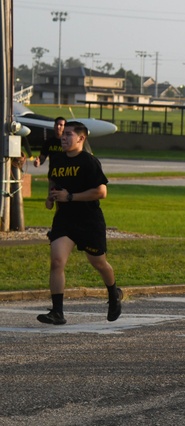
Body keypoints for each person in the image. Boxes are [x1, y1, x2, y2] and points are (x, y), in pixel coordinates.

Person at [36, 121, 122, 325]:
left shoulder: (89, 162)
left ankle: (113, 294)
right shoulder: (56, 159)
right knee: (57, 261)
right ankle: (57, 312)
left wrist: (71, 196)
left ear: (81, 138)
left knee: (99, 263)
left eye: (69, 134)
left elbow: (101, 192)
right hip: (64, 220)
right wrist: (51, 197)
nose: (63, 138)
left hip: (89, 220)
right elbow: (53, 182)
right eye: (63, 134)